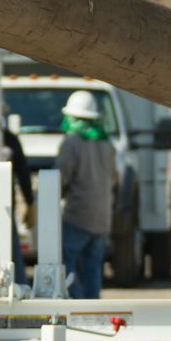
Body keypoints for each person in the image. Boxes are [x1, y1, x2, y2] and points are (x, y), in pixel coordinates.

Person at [57, 89, 115, 297]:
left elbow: (59, 178)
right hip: (102, 218)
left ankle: (78, 305)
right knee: (93, 268)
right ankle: (93, 309)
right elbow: (113, 177)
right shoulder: (107, 143)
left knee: (65, 263)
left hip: (78, 215)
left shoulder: (72, 143)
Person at [2, 116, 34, 286]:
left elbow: (22, 171)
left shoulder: (8, 139)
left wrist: (29, 202)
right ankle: (21, 291)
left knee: (10, 256)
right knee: (12, 257)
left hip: (3, 210)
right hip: (5, 209)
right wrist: (30, 202)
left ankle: (20, 291)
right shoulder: (8, 138)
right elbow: (23, 173)